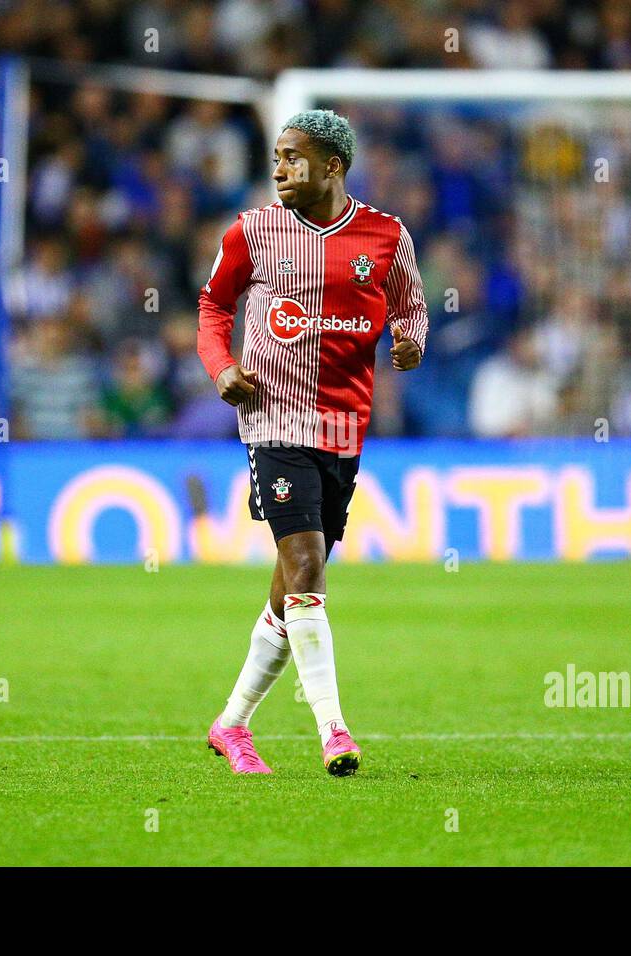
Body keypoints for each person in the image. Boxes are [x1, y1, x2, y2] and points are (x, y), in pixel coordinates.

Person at [196, 110, 428, 776]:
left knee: (289, 588)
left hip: (344, 427)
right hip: (271, 421)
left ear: (333, 166)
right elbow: (213, 308)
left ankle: (231, 725)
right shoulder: (252, 232)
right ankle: (335, 731)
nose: (278, 170)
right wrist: (223, 369)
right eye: (274, 157)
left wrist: (412, 342)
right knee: (305, 569)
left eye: (293, 158)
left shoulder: (386, 236)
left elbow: (411, 306)